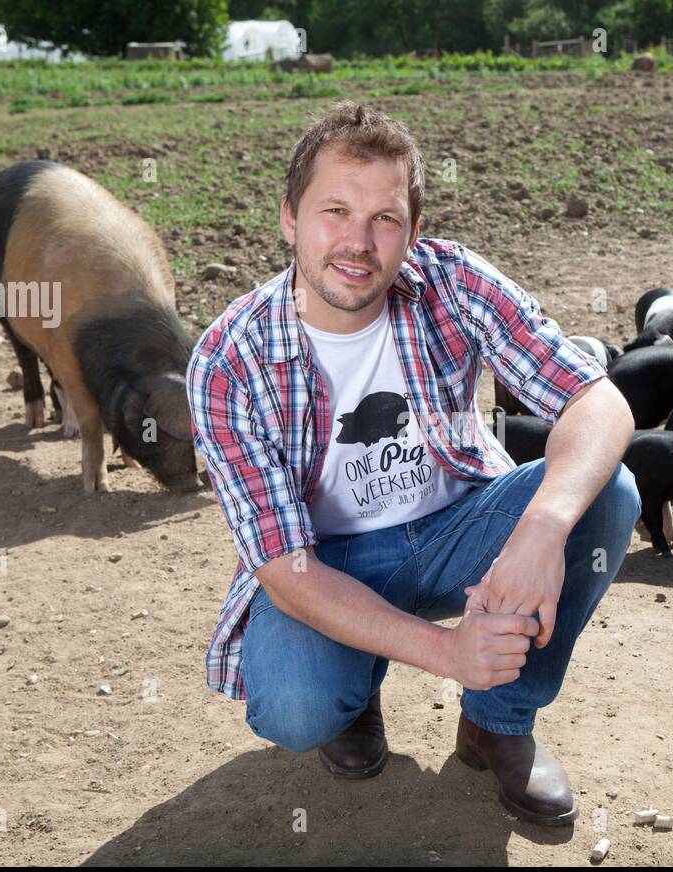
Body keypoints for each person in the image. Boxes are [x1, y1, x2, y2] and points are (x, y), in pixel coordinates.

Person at [187, 100, 639, 826]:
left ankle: (500, 720)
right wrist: (446, 650)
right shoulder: (227, 359)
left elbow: (600, 403)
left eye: (385, 219)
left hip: (462, 529)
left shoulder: (451, 281)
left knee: (605, 491)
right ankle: (351, 691)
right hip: (323, 563)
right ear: (289, 219)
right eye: (335, 211)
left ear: (412, 231)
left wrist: (541, 529)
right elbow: (281, 568)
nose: (358, 243)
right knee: (297, 707)